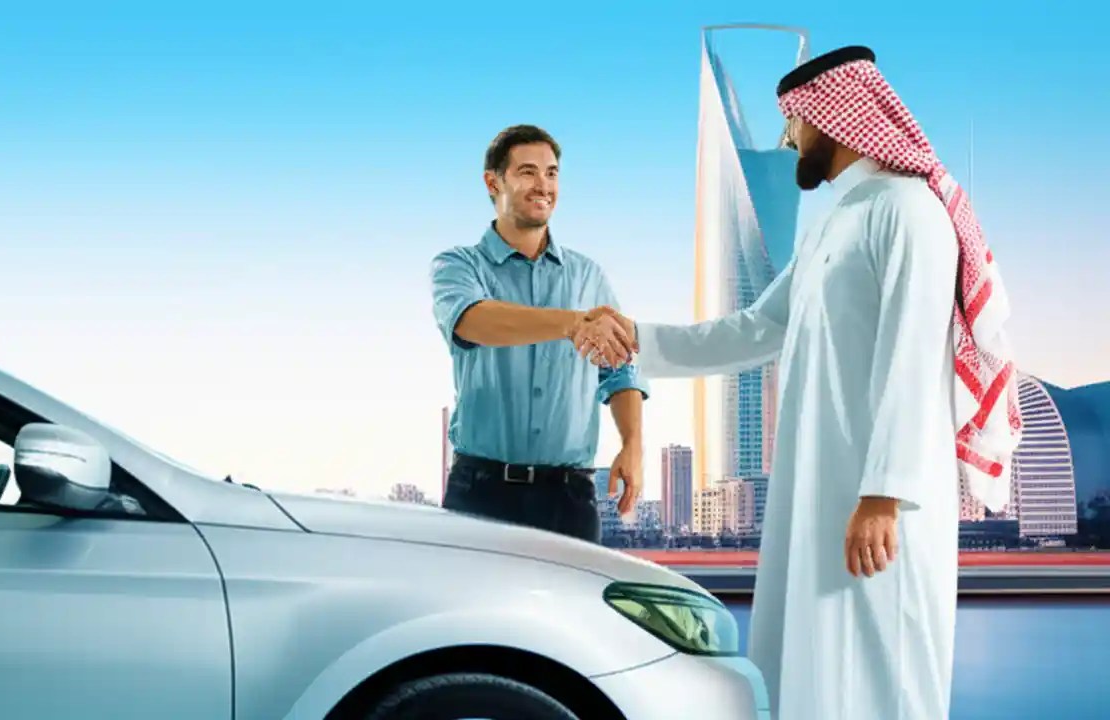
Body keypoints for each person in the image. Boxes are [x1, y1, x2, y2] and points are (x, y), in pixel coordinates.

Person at [580, 47, 1022, 719]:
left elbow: (912, 357)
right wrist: (637, 337)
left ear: (837, 118)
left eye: (795, 123)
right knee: (813, 665)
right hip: (818, 487)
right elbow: (754, 329)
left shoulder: (908, 213)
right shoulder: (835, 222)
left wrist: (883, 494)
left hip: (880, 502)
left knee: (884, 663)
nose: (789, 139)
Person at [429, 124, 649, 543]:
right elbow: (474, 321)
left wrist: (633, 444)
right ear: (493, 182)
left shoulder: (589, 276)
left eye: (551, 173)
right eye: (527, 172)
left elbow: (621, 368)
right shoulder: (458, 266)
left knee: (571, 611)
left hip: (570, 498)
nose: (542, 185)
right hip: (480, 492)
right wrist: (571, 323)